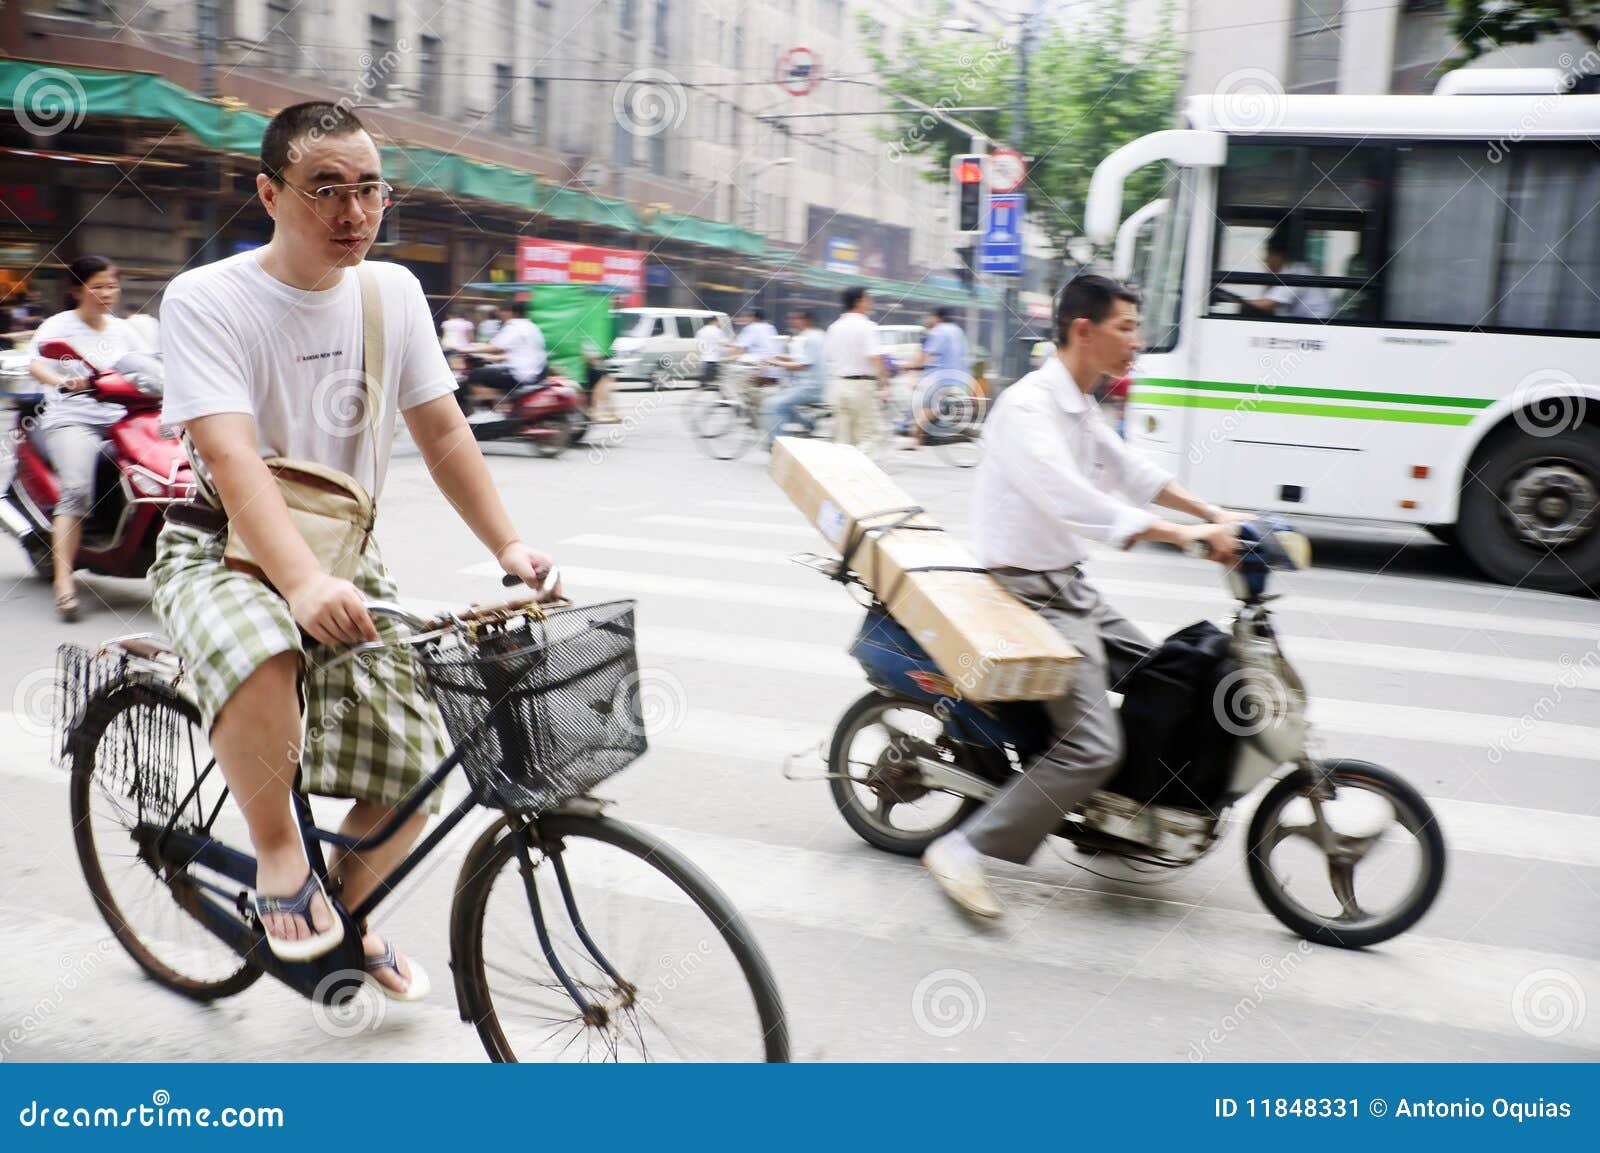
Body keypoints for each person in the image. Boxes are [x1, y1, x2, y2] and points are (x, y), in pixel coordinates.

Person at [151, 101, 558, 995]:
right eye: (325, 188)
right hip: (224, 549)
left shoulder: (393, 293)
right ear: (270, 192)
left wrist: (511, 546)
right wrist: (296, 582)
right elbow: (227, 452)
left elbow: (445, 434)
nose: (352, 211)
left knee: (422, 756)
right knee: (261, 650)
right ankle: (280, 864)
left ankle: (350, 917)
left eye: (369, 189)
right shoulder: (206, 299)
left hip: (346, 553)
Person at [921, 274, 1244, 919]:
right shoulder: (1028, 409)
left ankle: (1108, 814)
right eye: (1127, 328)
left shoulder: (1080, 404)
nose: (1138, 343)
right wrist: (1186, 537)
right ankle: (962, 849)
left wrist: (1214, 512)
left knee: (1166, 676)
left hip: (1068, 585)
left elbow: (1134, 474)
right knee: (1093, 746)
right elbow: (1077, 501)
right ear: (1083, 331)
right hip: (1026, 592)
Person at [26, 256, 151, 621]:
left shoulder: (125, 330)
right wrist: (61, 382)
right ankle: (64, 582)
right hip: (73, 420)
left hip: (122, 418)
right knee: (77, 490)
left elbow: (146, 366)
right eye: (98, 286)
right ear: (78, 290)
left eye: (112, 286)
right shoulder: (58, 326)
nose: (107, 293)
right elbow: (37, 363)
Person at [824, 286, 886, 456]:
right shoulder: (867, 326)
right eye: (868, 299)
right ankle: (862, 475)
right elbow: (875, 357)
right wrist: (884, 384)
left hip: (838, 385)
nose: (870, 303)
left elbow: (829, 356)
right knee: (870, 436)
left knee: (843, 440)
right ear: (858, 302)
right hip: (862, 387)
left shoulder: (834, 327)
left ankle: (841, 476)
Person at [905, 307, 970, 449]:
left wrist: (913, 368)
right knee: (936, 407)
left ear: (938, 317)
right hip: (959, 378)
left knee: (925, 407)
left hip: (940, 378)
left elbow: (928, 355)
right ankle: (922, 437)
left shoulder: (938, 331)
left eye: (930, 317)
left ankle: (914, 439)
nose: (928, 320)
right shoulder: (957, 331)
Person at [462, 299, 546, 409]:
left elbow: (496, 347)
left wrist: (467, 350)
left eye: (503, 311)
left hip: (520, 373)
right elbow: (521, 352)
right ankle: (499, 406)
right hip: (534, 371)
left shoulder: (514, 326)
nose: (500, 314)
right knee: (490, 373)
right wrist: (494, 358)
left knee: (475, 375)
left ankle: (487, 411)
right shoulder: (532, 326)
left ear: (513, 313)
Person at [763, 310, 826, 449]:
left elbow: (801, 365)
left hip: (810, 387)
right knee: (783, 403)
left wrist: (777, 363)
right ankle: (807, 424)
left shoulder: (811, 339)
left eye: (796, 319)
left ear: (806, 320)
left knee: (772, 405)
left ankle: (779, 447)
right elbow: (803, 359)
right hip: (809, 385)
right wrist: (779, 357)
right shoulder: (818, 335)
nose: (792, 322)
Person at [1245, 225, 1336, 320]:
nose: (1265, 260)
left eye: (1269, 254)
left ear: (1278, 256)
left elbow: (1268, 304)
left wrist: (1240, 302)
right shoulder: (1291, 271)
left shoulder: (1295, 272)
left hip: (1316, 325)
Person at [581, 334, 621, 423]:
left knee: (596, 393)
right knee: (598, 393)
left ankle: (596, 413)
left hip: (595, 370)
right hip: (593, 370)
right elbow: (588, 356)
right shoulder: (587, 340)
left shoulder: (592, 340)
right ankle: (605, 413)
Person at [734, 308, 782, 382]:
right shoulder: (771, 327)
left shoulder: (751, 328)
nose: (744, 319)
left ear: (753, 317)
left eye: (746, 316)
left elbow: (740, 349)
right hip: (775, 371)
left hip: (760, 371)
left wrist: (727, 358)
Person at [695, 315, 725, 387]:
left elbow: (698, 344)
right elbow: (723, 342)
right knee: (715, 383)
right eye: (718, 322)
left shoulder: (701, 331)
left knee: (704, 384)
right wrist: (734, 346)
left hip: (704, 360)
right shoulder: (717, 331)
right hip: (714, 360)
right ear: (714, 321)